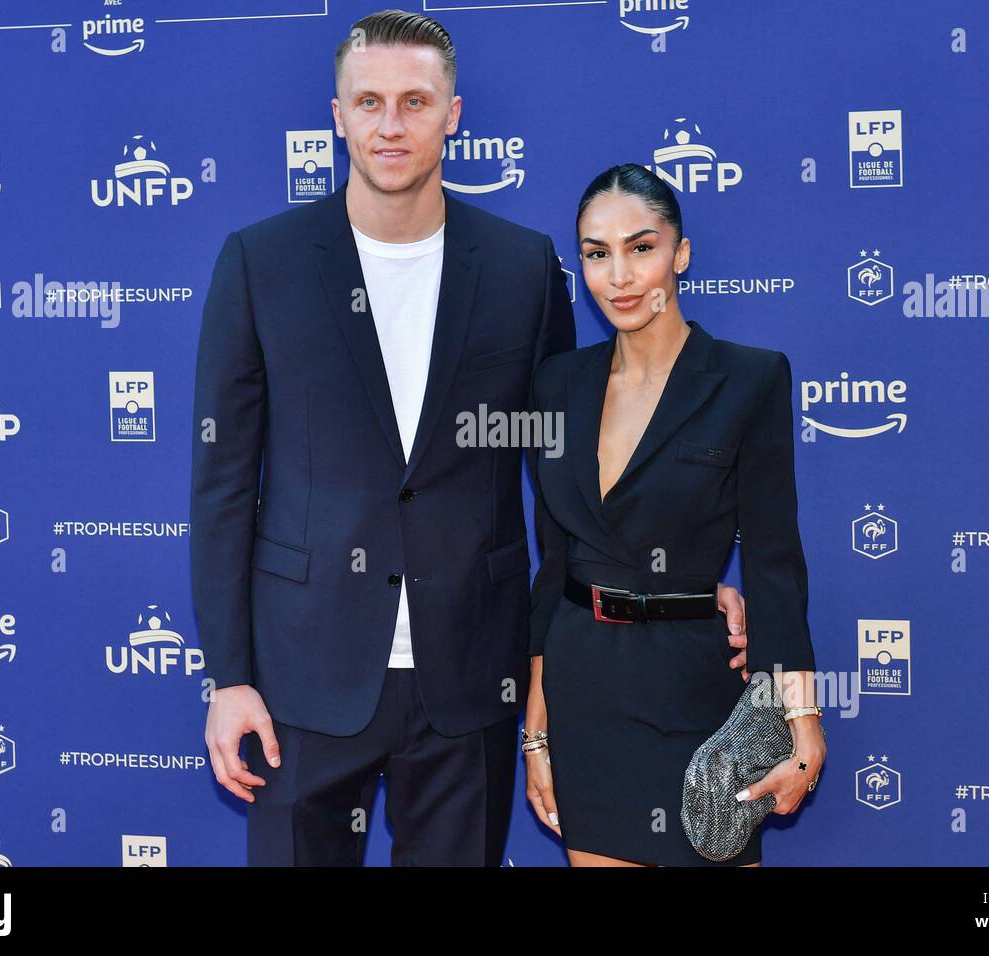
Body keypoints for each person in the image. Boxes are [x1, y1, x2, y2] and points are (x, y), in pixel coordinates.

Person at [189, 11, 751, 866]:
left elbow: (567, 468)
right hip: (304, 673)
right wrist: (230, 678)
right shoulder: (259, 264)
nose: (390, 125)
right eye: (368, 101)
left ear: (453, 113)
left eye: (415, 101)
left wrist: (673, 583)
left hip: (472, 672)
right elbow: (223, 484)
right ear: (336, 115)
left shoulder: (524, 268)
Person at [523, 163, 826, 867]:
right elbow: (553, 567)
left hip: (697, 692)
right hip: (585, 692)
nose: (620, 276)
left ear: (680, 254)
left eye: (641, 246)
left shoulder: (748, 379)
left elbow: (775, 564)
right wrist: (537, 730)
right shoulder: (555, 386)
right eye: (597, 254)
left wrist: (803, 722)